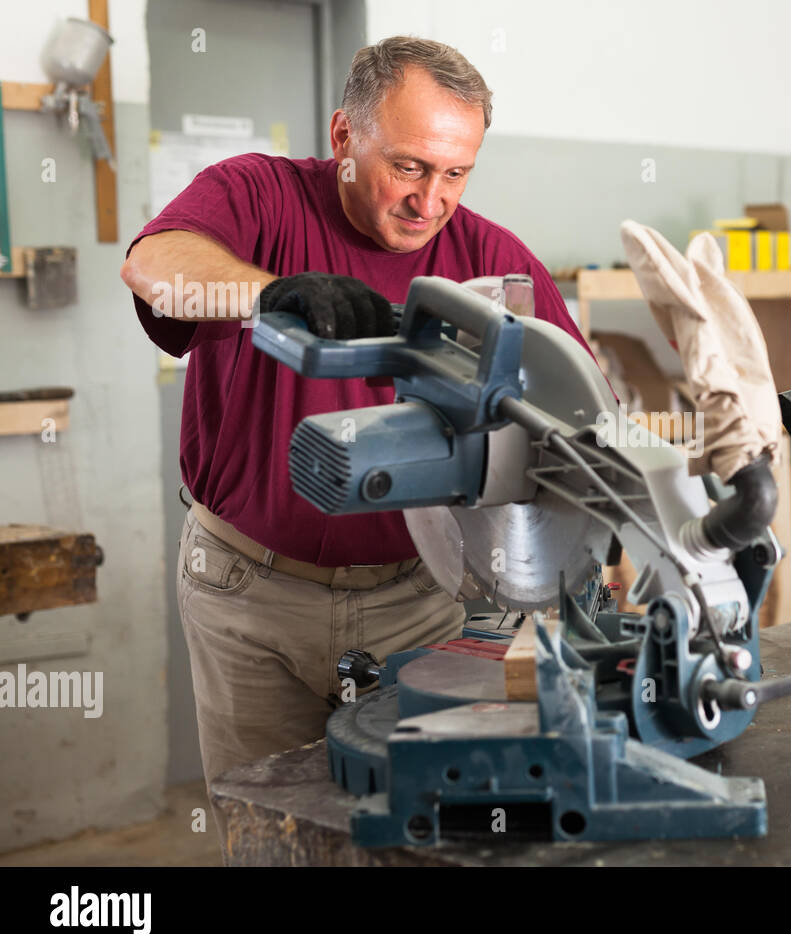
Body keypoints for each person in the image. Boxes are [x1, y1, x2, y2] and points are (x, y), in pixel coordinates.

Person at [119, 36, 592, 790]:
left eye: (455, 174)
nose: (429, 200)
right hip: (248, 593)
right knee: (265, 821)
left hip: (421, 603)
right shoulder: (255, 195)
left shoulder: (494, 262)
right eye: (407, 166)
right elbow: (156, 267)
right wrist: (273, 294)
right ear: (344, 136)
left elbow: (576, 418)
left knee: (415, 824)